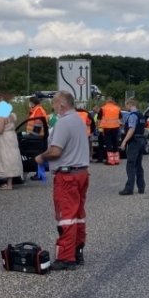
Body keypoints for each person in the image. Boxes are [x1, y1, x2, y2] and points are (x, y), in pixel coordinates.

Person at [33, 91, 89, 271]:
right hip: (81, 172)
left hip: (67, 176)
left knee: (66, 217)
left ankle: (66, 256)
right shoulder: (78, 120)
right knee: (78, 215)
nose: (53, 108)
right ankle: (77, 249)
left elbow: (56, 151)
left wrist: (41, 157)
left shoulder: (64, 122)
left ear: (61, 105)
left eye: (55, 105)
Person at [119, 97, 146, 195]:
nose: (126, 107)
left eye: (126, 105)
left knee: (131, 165)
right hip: (141, 140)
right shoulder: (141, 115)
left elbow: (132, 129)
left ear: (130, 104)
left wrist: (124, 142)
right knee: (138, 165)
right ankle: (141, 187)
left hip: (134, 141)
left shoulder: (133, 115)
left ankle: (129, 188)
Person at [0, 107, 20, 189]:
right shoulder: (11, 116)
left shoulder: (2, 117)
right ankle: (9, 183)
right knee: (11, 158)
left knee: (5, 158)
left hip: (4, 138)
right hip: (12, 138)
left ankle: (9, 185)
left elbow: (0, 130)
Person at [98, 97, 122, 163]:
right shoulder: (117, 108)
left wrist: (100, 129)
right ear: (113, 101)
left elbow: (99, 120)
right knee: (115, 143)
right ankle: (116, 160)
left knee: (108, 144)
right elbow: (120, 119)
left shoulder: (103, 108)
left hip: (106, 128)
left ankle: (110, 160)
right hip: (116, 128)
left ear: (106, 101)